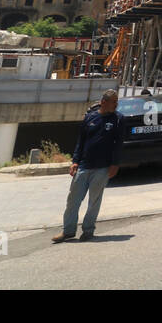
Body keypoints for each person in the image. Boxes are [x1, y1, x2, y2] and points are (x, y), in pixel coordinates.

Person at [53, 88, 124, 243]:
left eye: (117, 102)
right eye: (114, 102)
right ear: (103, 102)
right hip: (84, 165)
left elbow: (118, 144)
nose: (116, 105)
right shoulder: (90, 118)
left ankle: (88, 230)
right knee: (73, 199)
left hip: (103, 167)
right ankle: (68, 231)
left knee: (94, 201)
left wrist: (115, 164)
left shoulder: (118, 119)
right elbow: (81, 141)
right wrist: (75, 161)